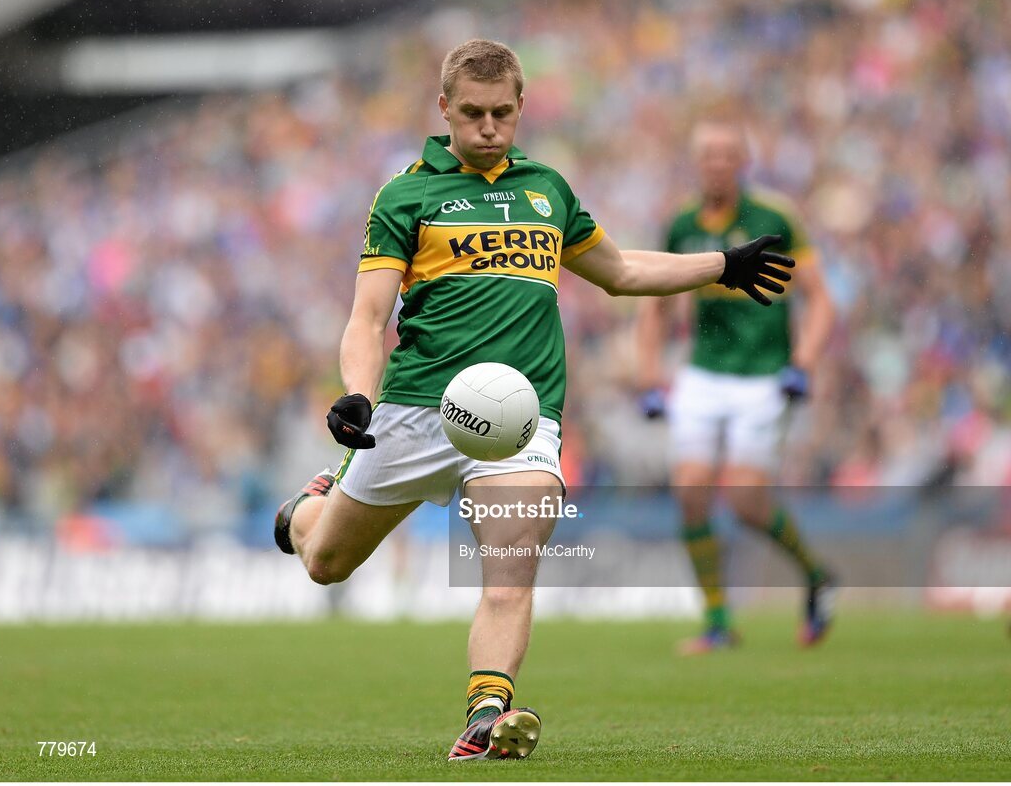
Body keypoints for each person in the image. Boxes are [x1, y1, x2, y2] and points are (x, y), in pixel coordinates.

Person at [273, 41, 793, 761]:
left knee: (510, 574)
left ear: (521, 107)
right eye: (473, 113)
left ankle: (486, 713)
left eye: (503, 113)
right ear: (444, 109)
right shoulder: (404, 197)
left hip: (519, 422)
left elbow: (620, 270)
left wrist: (722, 265)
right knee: (325, 561)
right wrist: (358, 394)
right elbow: (366, 318)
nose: (489, 127)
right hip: (416, 410)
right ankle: (308, 506)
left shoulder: (547, 190)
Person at [635, 113, 837, 656]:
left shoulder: (775, 217)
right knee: (690, 493)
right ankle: (718, 621)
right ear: (696, 163)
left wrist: (804, 361)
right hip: (703, 372)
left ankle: (816, 575)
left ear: (744, 161)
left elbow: (821, 299)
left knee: (746, 501)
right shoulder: (681, 224)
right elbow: (655, 304)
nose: (718, 165)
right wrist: (650, 375)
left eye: (728, 155)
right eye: (709, 155)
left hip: (764, 374)